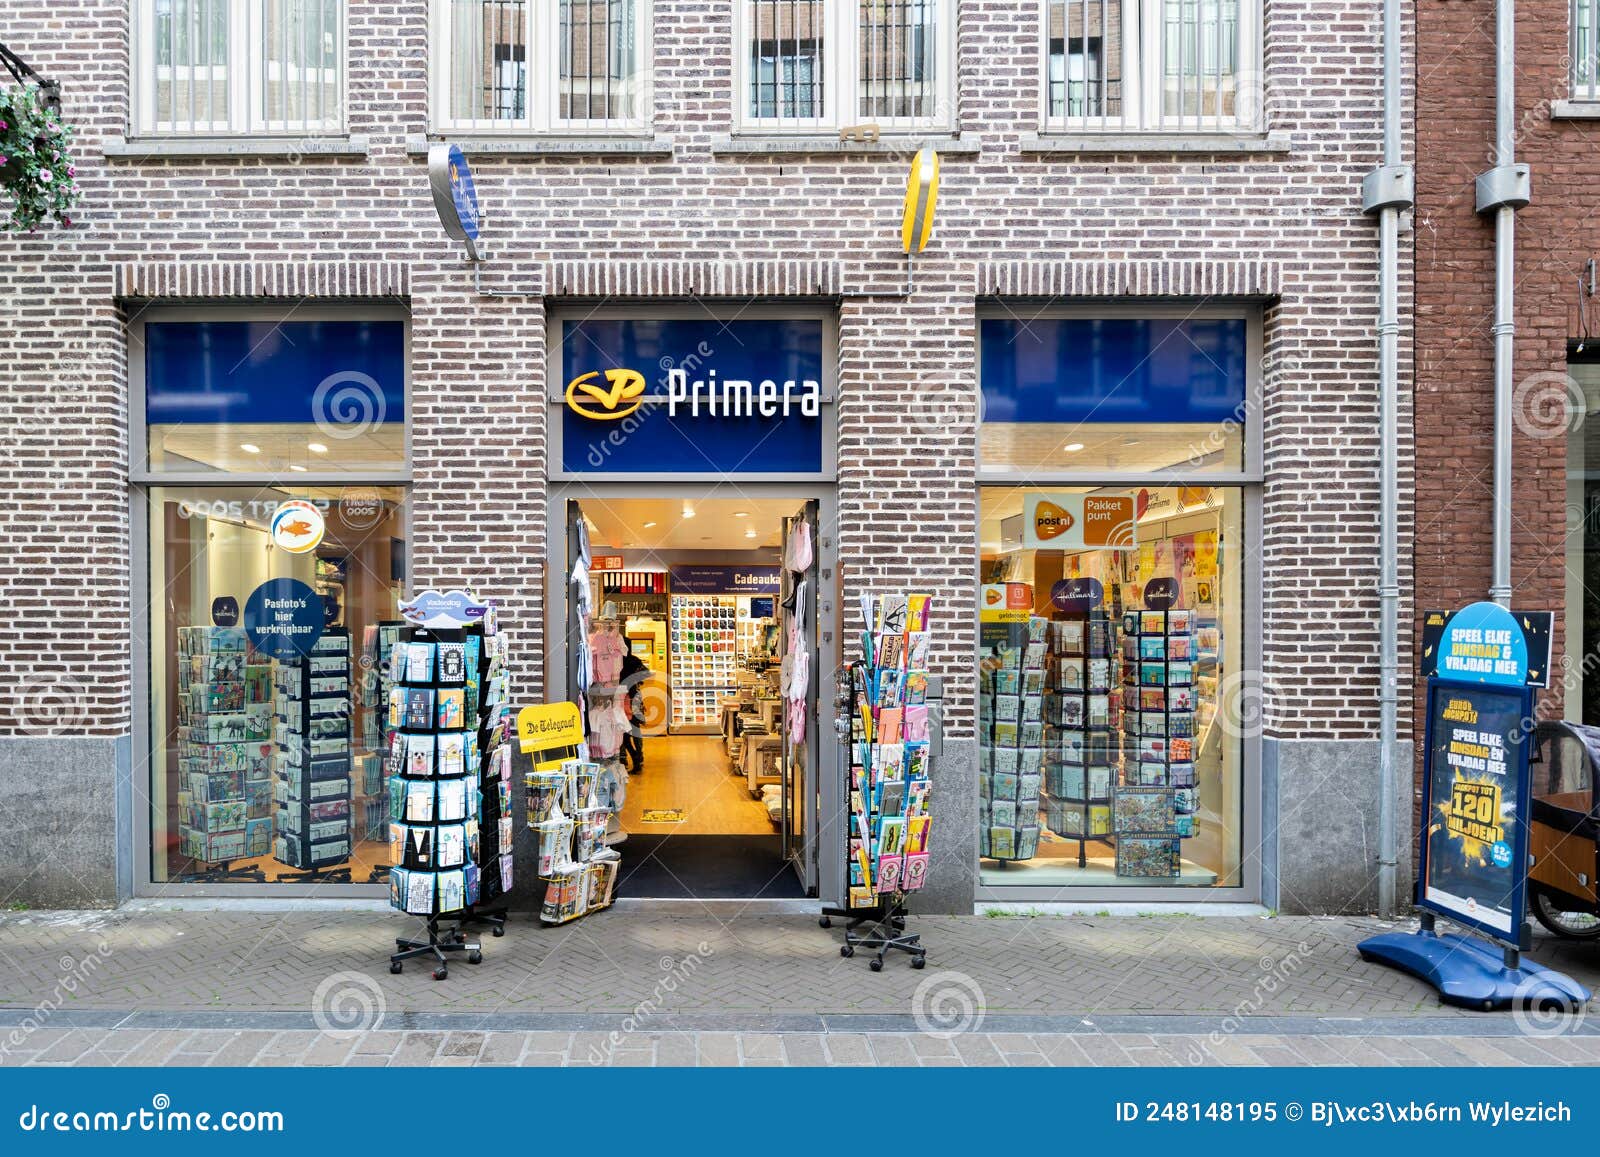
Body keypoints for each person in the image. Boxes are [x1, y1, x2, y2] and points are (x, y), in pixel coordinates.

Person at [619, 649, 649, 774]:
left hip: (624, 697)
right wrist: (637, 680)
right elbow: (646, 672)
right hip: (635, 695)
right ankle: (639, 756)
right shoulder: (634, 660)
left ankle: (629, 758)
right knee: (635, 728)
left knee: (624, 732)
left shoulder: (619, 660)